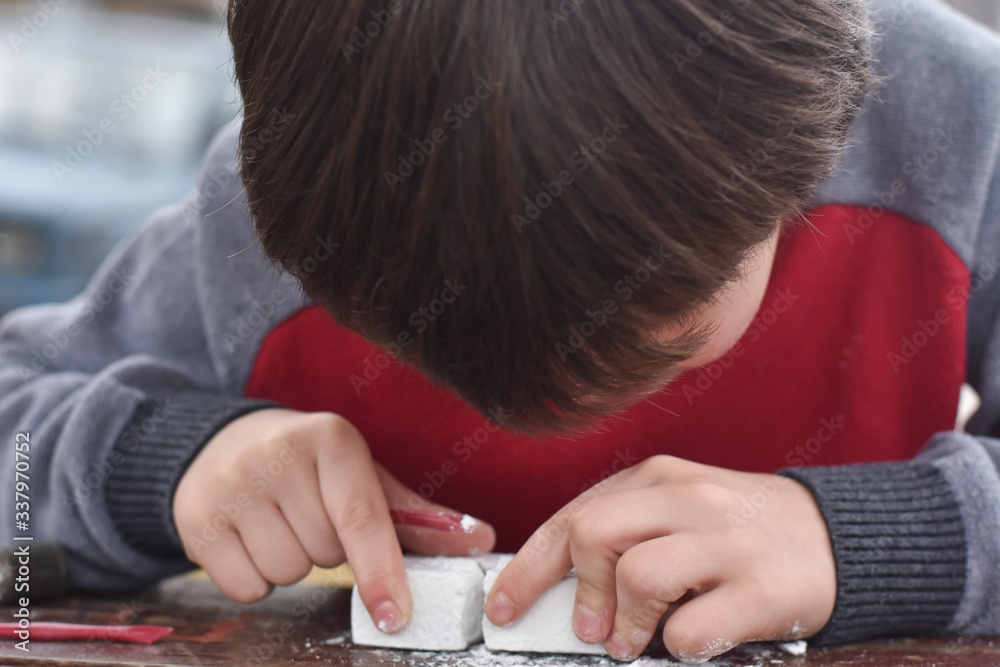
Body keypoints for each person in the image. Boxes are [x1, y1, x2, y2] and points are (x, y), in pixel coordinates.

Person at [2, 0, 999, 662]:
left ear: (797, 164)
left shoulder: (954, 132)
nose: (550, 410)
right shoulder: (285, 218)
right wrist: (163, 469)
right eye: (420, 340)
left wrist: (884, 540)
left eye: (661, 325)